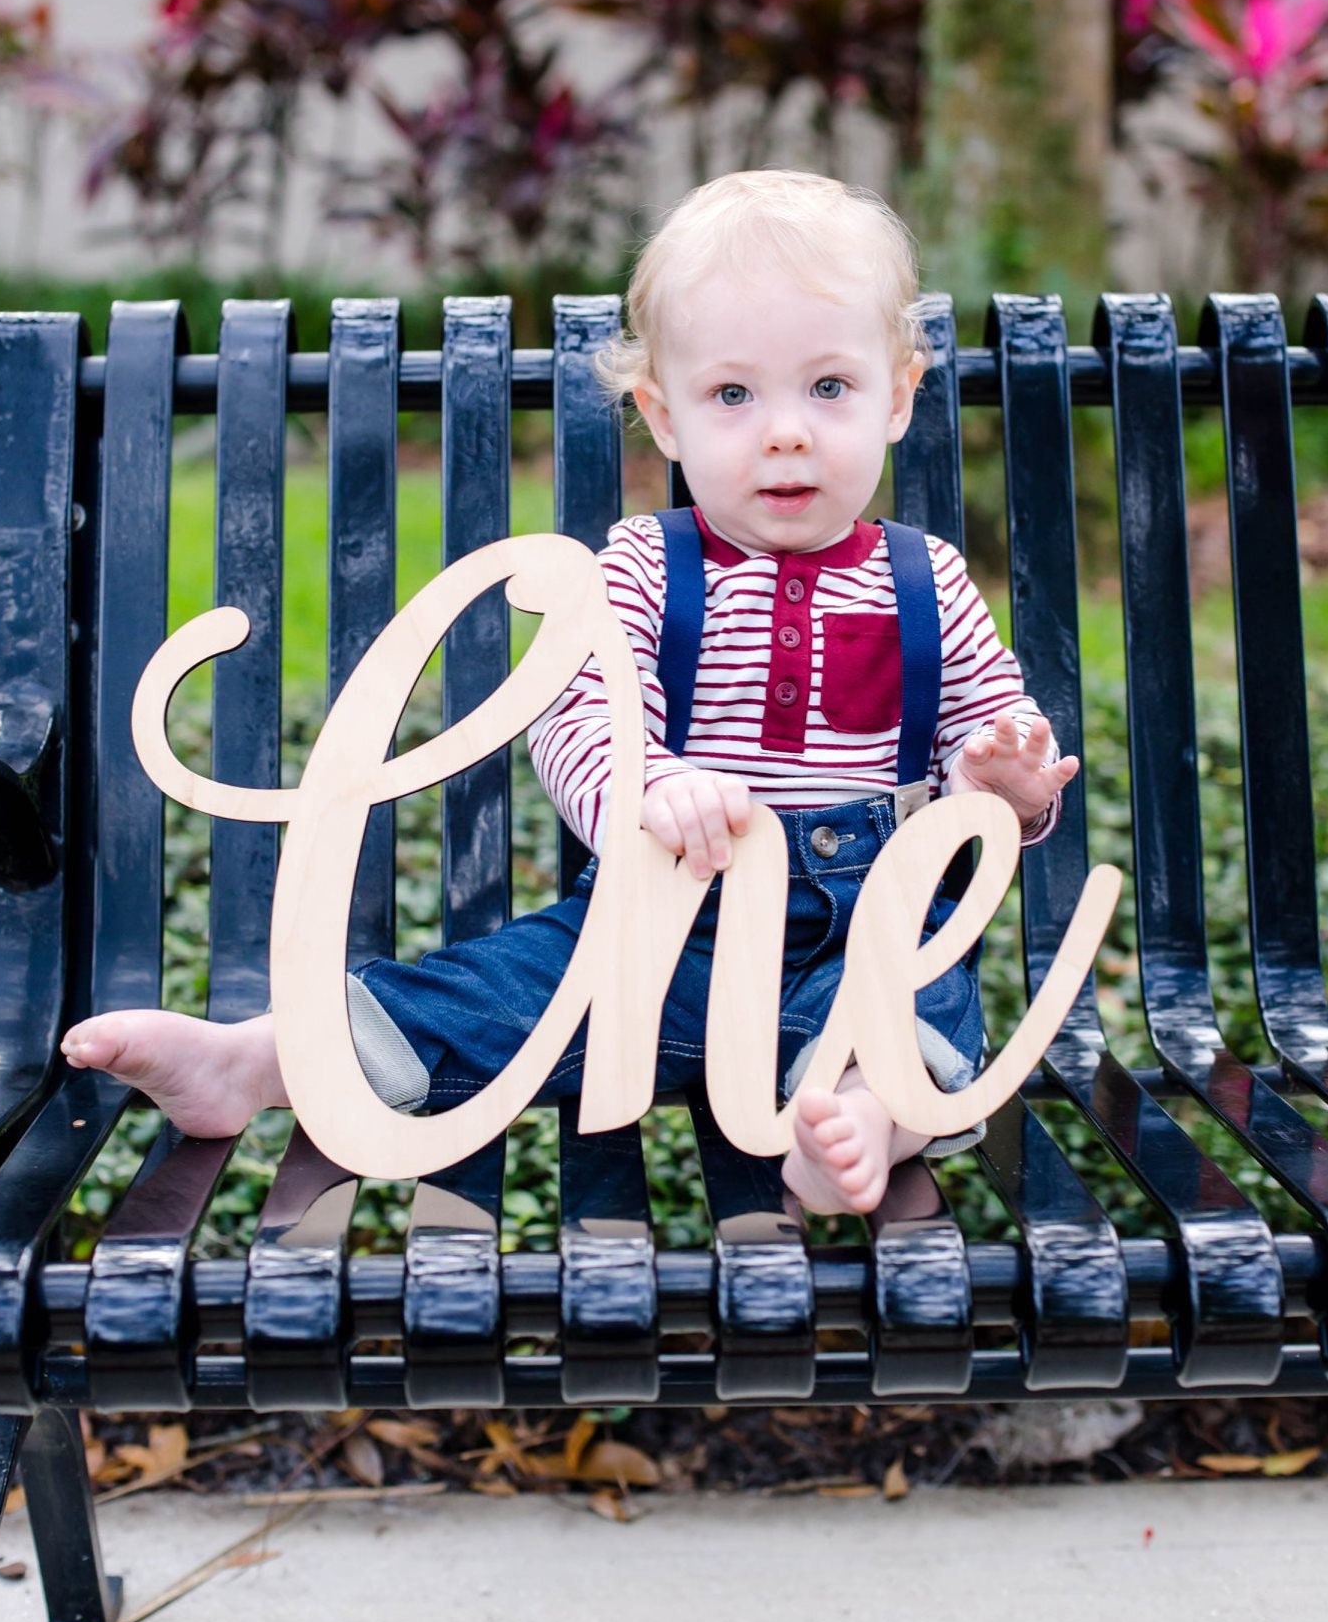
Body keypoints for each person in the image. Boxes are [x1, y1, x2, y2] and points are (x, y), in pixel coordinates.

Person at [61, 169, 1078, 1220]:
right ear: (664, 415)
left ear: (898, 396)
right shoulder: (642, 567)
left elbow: (990, 741)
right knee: (492, 990)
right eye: (734, 394)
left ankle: (854, 1123)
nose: (785, 431)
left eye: (829, 388)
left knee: (920, 1001)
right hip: (658, 931)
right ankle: (253, 1062)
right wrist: (652, 788)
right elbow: (580, 712)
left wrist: (1004, 779)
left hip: (865, 928)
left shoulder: (928, 579)